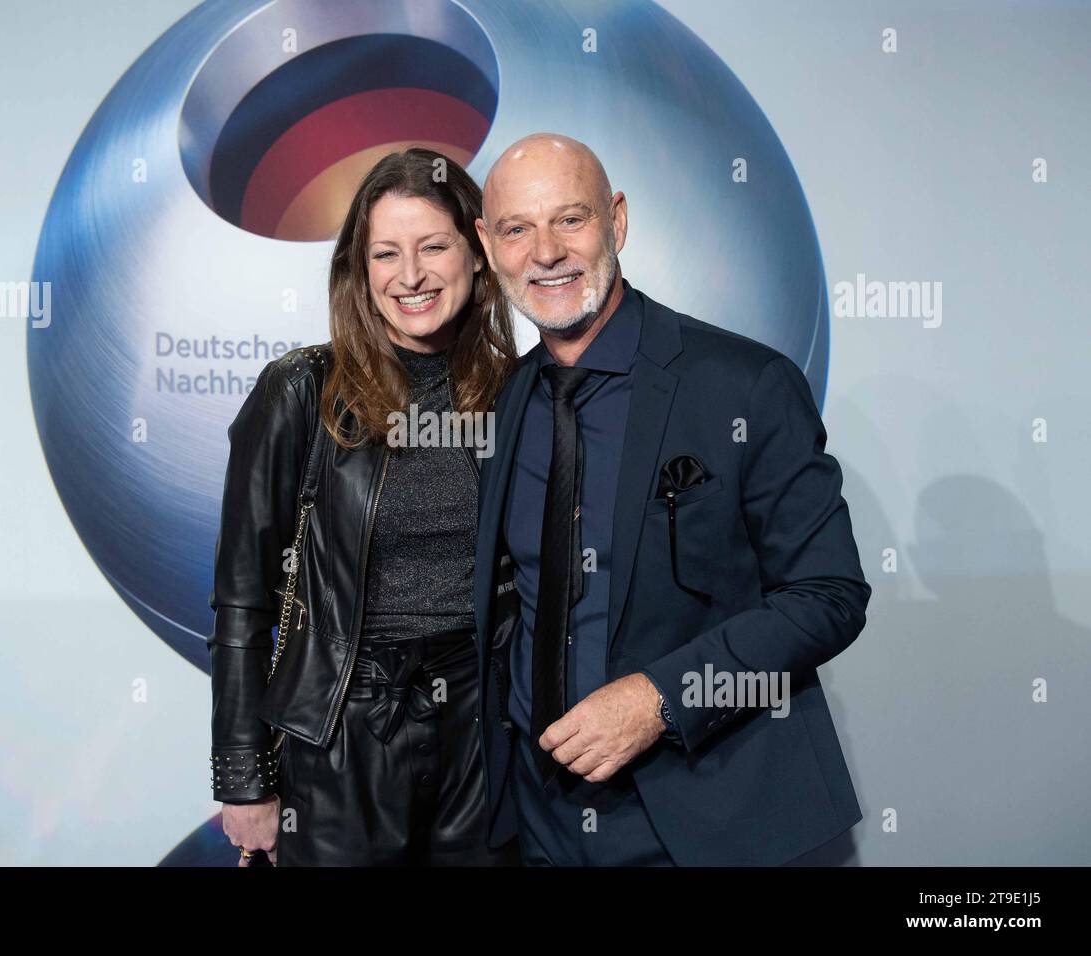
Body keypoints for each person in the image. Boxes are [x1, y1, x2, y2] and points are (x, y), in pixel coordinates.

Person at [469, 132, 872, 865]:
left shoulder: (744, 384)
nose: (546, 251)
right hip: (538, 825)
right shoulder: (502, 405)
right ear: (488, 245)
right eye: (517, 229)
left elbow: (828, 594)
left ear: (616, 221)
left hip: (712, 818)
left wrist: (658, 700)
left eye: (571, 219)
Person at [207, 146, 521, 866]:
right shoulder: (298, 393)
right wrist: (244, 778)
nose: (410, 276)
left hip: (483, 734)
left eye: (433, 246)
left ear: (476, 252)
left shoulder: (518, 394)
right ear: (359, 270)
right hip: (342, 735)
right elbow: (242, 598)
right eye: (385, 253)